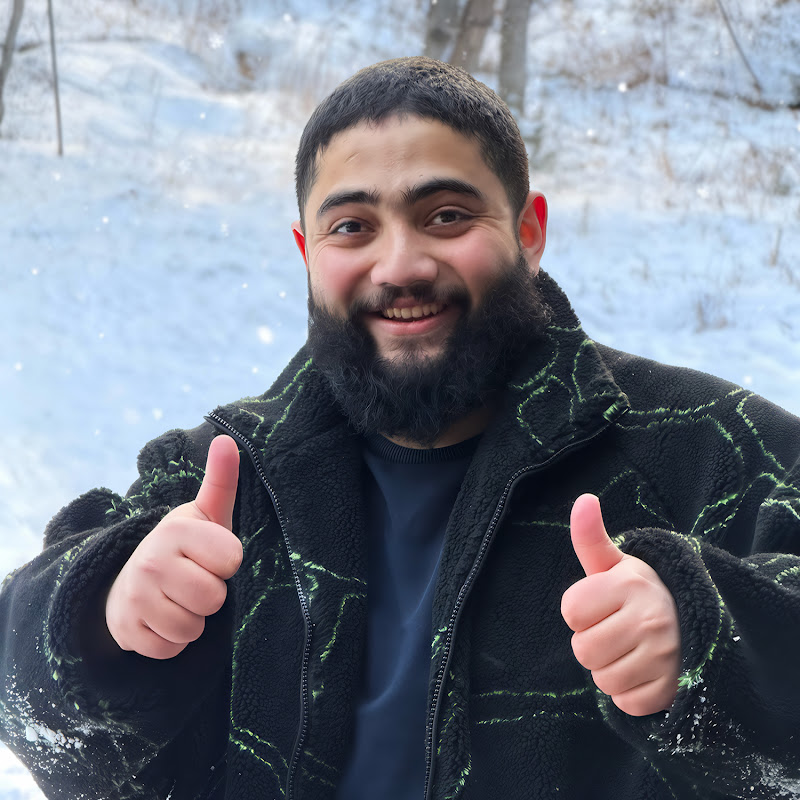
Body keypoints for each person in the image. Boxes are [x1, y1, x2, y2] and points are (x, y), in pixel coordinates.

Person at [1, 56, 800, 800]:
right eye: (352, 227)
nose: (401, 266)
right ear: (306, 252)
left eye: (446, 215)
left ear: (528, 232)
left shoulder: (717, 452)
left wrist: (721, 645)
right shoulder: (219, 478)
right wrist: (102, 620)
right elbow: (21, 694)